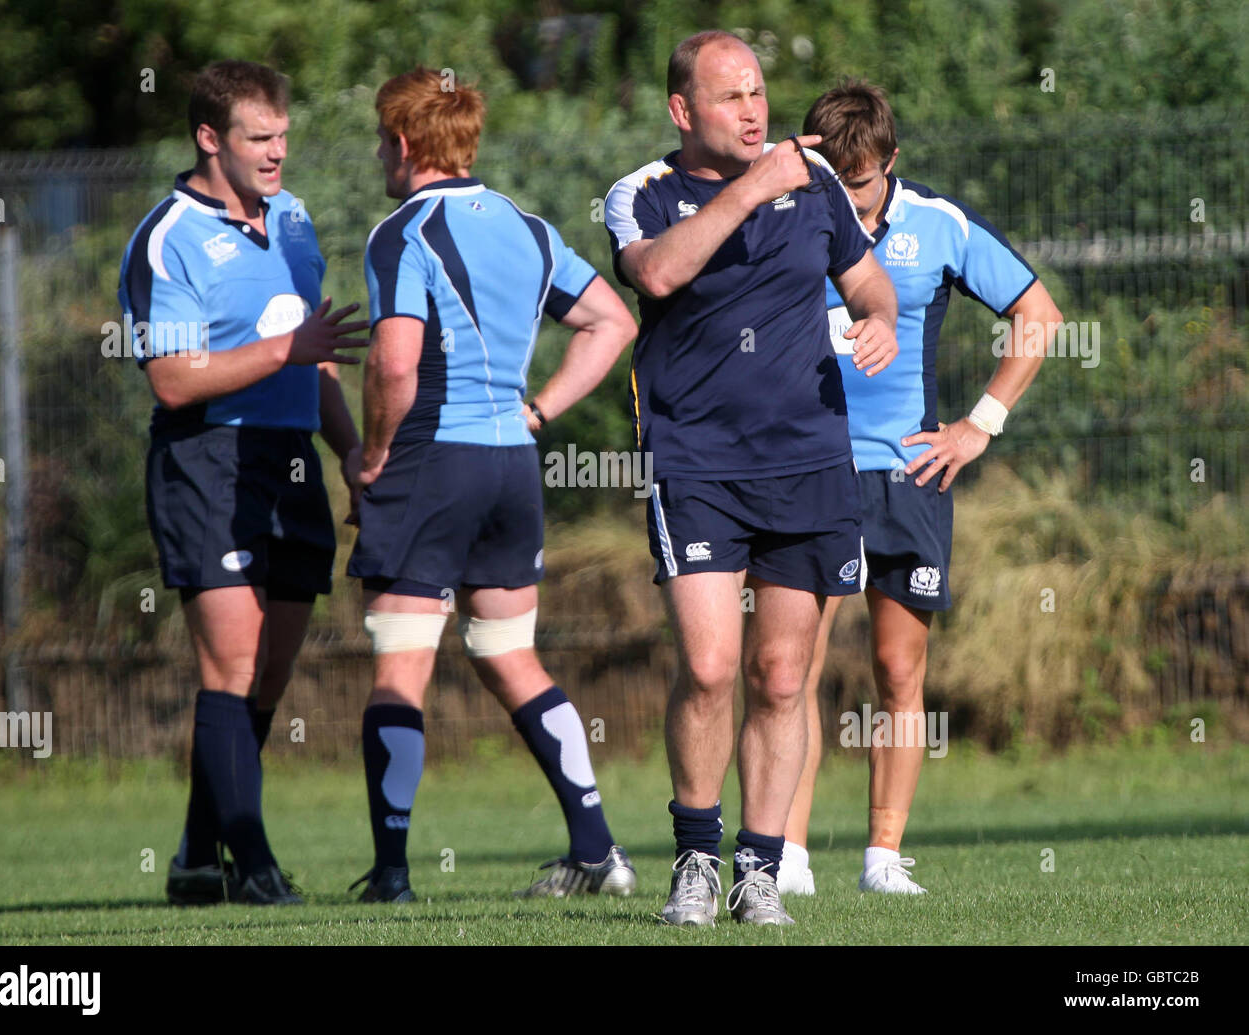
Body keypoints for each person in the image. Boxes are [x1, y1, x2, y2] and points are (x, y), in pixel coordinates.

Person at [603, 32, 899, 926]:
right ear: (682, 111)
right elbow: (655, 273)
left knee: (779, 676)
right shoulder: (642, 194)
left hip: (808, 461)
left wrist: (878, 321)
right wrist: (750, 189)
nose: (754, 110)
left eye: (759, 92)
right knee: (708, 663)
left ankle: (759, 870)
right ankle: (695, 854)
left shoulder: (816, 188)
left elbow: (871, 287)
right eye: (731, 96)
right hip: (696, 460)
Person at [345, 68, 639, 903]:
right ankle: (597, 850)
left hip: (433, 460)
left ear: (402, 145)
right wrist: (538, 411)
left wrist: (371, 457)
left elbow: (394, 362)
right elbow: (612, 321)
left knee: (402, 668)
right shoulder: (527, 226)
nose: (379, 154)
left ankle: (393, 875)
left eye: (380, 140)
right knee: (507, 654)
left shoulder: (401, 232)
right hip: (512, 463)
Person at [776, 79, 1062, 896]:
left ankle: (882, 858)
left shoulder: (940, 226)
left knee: (900, 671)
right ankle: (785, 856)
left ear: (890, 163)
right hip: (807, 472)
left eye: (858, 181)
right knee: (789, 669)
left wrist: (980, 425)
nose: (845, 197)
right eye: (829, 177)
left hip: (909, 477)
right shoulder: (780, 216)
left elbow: (1038, 315)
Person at [118, 59, 369, 905]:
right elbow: (174, 378)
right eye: (259, 139)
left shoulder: (293, 219)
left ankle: (197, 854)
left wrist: (354, 457)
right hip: (208, 459)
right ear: (208, 137)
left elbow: (316, 351)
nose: (276, 155)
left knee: (266, 673)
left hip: (291, 453)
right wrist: (284, 353)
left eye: (283, 137)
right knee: (228, 663)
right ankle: (254, 865)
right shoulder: (168, 235)